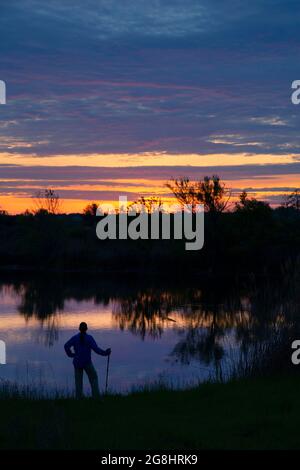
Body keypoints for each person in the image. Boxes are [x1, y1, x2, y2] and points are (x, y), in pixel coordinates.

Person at [64, 322, 111, 399]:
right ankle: (96, 397)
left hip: (77, 362)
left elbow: (66, 346)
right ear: (86, 329)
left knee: (78, 382)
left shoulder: (75, 338)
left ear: (79, 329)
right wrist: (105, 353)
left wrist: (71, 355)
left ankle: (79, 399)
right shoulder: (89, 338)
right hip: (87, 363)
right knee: (94, 378)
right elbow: (96, 349)